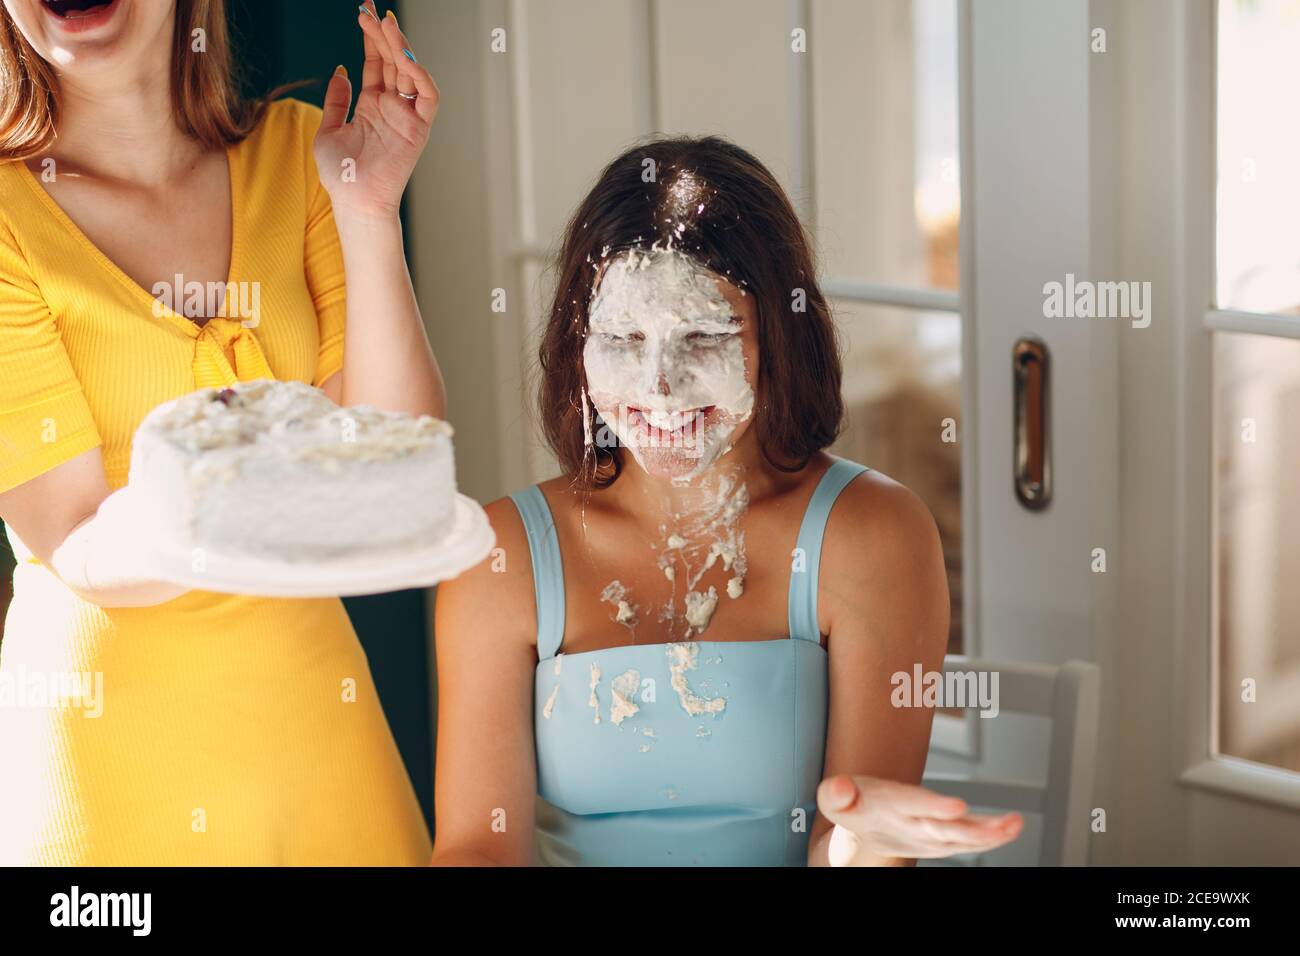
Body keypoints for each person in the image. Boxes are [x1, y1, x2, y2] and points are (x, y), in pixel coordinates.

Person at [431, 136, 1025, 865]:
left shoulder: (872, 535)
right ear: (578, 344)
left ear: (778, 334)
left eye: (705, 335)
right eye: (622, 336)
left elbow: (850, 844)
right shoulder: (500, 553)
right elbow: (475, 849)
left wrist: (864, 842)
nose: (660, 386)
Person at [0, 0, 438, 864]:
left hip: (318, 727)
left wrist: (368, 210)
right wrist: (268, 491)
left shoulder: (297, 153)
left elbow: (400, 458)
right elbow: (75, 540)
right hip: (105, 764)